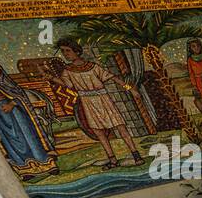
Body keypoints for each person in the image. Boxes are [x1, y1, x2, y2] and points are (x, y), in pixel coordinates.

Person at [51, 38, 143, 167]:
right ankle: (112, 160)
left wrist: (130, 89)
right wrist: (51, 78)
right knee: (99, 132)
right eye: (63, 51)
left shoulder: (93, 67)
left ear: (77, 51)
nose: (65, 54)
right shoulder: (67, 71)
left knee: (120, 126)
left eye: (68, 51)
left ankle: (136, 155)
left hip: (103, 99)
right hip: (87, 102)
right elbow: (68, 85)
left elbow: (114, 78)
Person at [0, 59, 56, 176]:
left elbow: (18, 94)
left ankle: (46, 164)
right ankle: (24, 169)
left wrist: (12, 104)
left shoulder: (4, 81)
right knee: (9, 141)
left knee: (27, 135)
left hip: (14, 112)